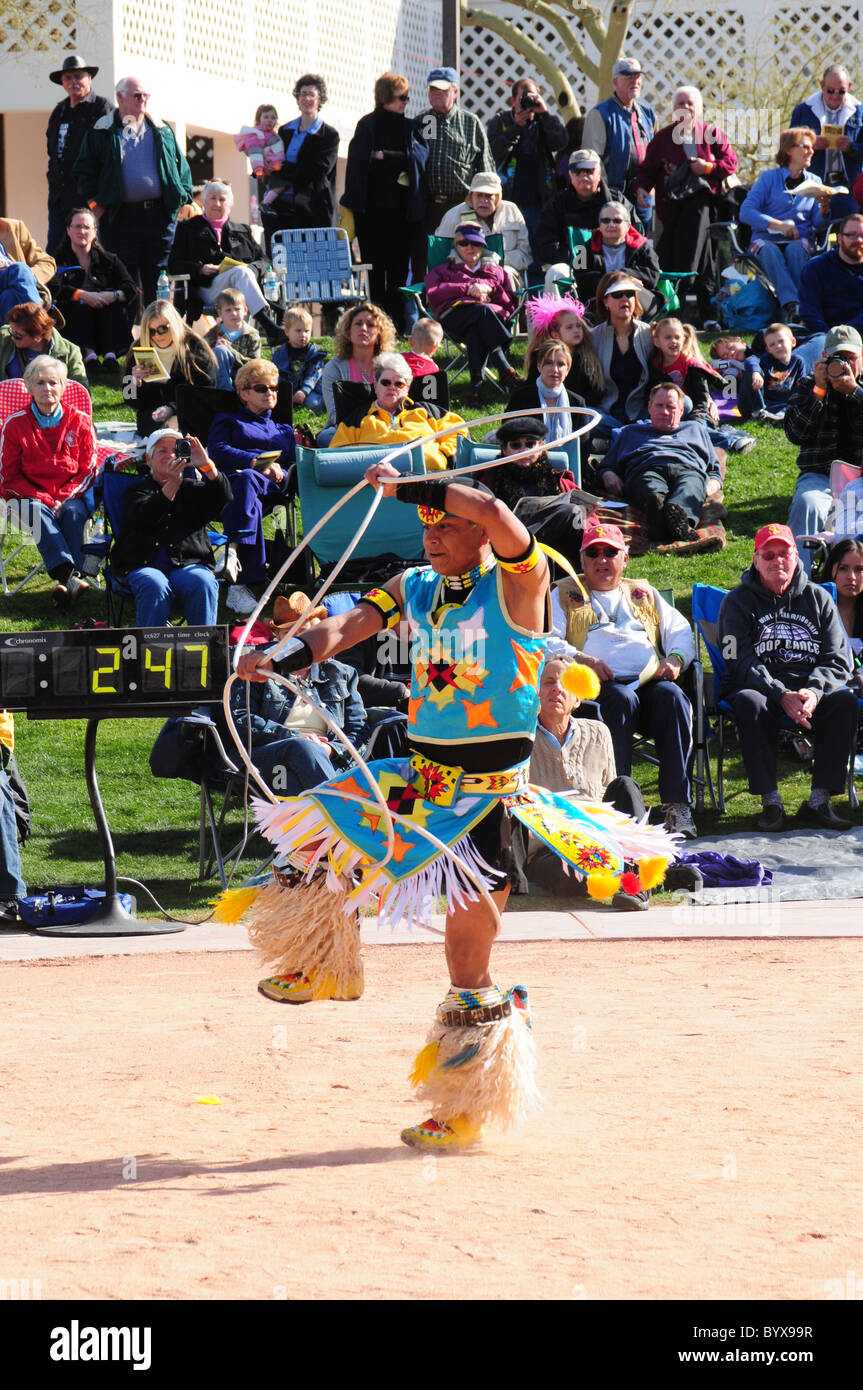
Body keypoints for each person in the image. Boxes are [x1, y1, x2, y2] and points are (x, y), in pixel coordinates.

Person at [227, 471, 674, 1155]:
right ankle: (324, 963)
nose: (432, 534)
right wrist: (281, 655)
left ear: (481, 535)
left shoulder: (519, 588)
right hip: (421, 779)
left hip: (486, 799)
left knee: (465, 965)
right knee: (320, 823)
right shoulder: (415, 587)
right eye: (427, 525)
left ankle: (462, 1106)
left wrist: (406, 485)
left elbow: (492, 503)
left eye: (446, 523)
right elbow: (347, 624)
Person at [549, 520, 698, 836]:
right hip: (594, 692)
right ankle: (621, 808)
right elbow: (546, 640)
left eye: (610, 552)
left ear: (625, 558)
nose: (602, 560)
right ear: (582, 559)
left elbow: (681, 631)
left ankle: (677, 807)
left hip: (648, 685)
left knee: (673, 697)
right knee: (620, 698)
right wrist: (582, 659)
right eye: (593, 553)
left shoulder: (643, 592)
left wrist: (676, 658)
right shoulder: (562, 592)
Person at [717, 523, 858, 830]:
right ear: (756, 560)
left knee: (845, 700)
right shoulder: (736, 602)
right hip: (758, 689)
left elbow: (838, 659)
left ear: (797, 557)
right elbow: (737, 661)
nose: (777, 560)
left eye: (784, 553)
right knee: (749, 701)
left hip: (809, 689)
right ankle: (771, 803)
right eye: (769, 555)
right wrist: (779, 692)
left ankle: (818, 802)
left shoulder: (820, 599)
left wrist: (814, 692)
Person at [516, 655, 649, 909]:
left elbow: (610, 794)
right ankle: (619, 875)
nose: (556, 689)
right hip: (549, 849)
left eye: (565, 684)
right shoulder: (524, 738)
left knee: (625, 785)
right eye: (548, 682)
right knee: (568, 876)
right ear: (537, 694)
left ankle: (637, 885)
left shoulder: (598, 732)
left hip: (598, 839)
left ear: (577, 698)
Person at [229, 592, 368, 799]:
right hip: (269, 756)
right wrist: (296, 738)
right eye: (287, 634)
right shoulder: (255, 668)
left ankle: (320, 824)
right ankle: (342, 819)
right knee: (302, 750)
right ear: (277, 637)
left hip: (328, 758)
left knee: (299, 785)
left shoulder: (341, 673)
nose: (296, 642)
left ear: (318, 635)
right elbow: (242, 721)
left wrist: (330, 749)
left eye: (303, 634)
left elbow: (358, 730)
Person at [74, 77, 193, 308]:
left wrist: (183, 200)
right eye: (137, 95)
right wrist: (94, 205)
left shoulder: (162, 129)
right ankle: (124, 341)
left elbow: (182, 167)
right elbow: (83, 171)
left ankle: (158, 337)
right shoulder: (101, 130)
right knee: (123, 281)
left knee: (158, 282)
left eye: (146, 95)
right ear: (120, 97)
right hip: (120, 218)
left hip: (160, 218)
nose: (143, 100)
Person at [0, 355, 98, 607]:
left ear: (63, 386)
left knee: (74, 514)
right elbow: (7, 476)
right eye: (40, 383)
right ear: (29, 387)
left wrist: (62, 498)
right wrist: (45, 499)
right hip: (27, 496)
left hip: (72, 494)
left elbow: (88, 470)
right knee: (34, 510)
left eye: (53, 382)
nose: (47, 389)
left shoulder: (81, 421)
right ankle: (71, 576)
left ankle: (66, 586)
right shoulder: (14, 424)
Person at [110, 428, 231, 627]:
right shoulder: (137, 491)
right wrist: (173, 483)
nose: (170, 455)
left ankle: (204, 650)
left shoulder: (191, 489)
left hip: (186, 565)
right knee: (154, 584)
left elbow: (223, 497)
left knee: (203, 582)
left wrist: (207, 465)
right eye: (162, 451)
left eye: (176, 450)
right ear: (149, 460)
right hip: (142, 564)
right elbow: (147, 514)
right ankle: (151, 651)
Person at [636, 87, 737, 323]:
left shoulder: (711, 134)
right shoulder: (663, 138)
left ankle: (687, 291)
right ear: (673, 110)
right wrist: (641, 188)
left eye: (690, 103)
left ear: (699, 108)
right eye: (680, 103)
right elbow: (647, 170)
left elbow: (731, 163)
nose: (686, 108)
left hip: (706, 209)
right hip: (671, 210)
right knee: (704, 255)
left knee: (698, 221)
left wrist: (708, 168)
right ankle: (700, 308)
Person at [339, 71, 428, 332]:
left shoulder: (411, 127)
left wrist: (385, 157)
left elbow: (419, 158)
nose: (405, 102)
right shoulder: (368, 125)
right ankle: (377, 328)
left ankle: (399, 327)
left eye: (407, 97)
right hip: (372, 218)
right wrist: (395, 158)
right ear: (386, 97)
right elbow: (359, 162)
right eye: (401, 97)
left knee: (399, 273)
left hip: (403, 217)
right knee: (376, 275)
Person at [207, 358, 296, 615]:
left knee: (250, 481)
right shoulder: (228, 421)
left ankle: (232, 551)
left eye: (274, 388)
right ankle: (239, 588)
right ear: (243, 393)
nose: (270, 393)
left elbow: (292, 465)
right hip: (229, 485)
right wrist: (254, 462)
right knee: (247, 482)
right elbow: (217, 450)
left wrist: (277, 470)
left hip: (270, 488)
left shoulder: (284, 430)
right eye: (261, 388)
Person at [599, 382, 722, 541]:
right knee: (651, 491)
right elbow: (606, 466)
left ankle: (679, 522)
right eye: (659, 405)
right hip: (646, 469)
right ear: (649, 407)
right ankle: (659, 515)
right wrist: (608, 475)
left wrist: (710, 485)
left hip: (688, 469)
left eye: (671, 407)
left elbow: (714, 469)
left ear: (681, 410)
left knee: (689, 488)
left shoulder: (695, 429)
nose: (664, 411)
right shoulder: (630, 432)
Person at [168, 179, 283, 345]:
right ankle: (269, 327)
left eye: (222, 199)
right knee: (241, 273)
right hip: (206, 289)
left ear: (230, 204)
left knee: (243, 272)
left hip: (240, 289)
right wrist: (199, 268)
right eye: (212, 198)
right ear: (204, 202)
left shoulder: (242, 230)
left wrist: (252, 269)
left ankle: (268, 326)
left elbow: (265, 261)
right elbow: (174, 264)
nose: (217, 203)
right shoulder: (188, 228)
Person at [784, 323, 863, 564]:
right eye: (838, 358)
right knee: (807, 504)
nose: (845, 365)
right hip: (820, 477)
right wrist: (819, 391)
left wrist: (854, 392)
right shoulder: (809, 384)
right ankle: (797, 584)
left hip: (861, 477)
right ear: (824, 357)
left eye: (850, 358)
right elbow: (795, 433)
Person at [739, 127, 834, 321]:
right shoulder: (768, 179)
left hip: (800, 240)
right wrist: (778, 225)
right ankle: (795, 306)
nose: (811, 151)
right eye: (805, 146)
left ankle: (797, 309)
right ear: (788, 150)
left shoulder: (815, 181)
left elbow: (819, 224)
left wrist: (823, 208)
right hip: (766, 239)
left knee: (795, 251)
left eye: (812, 147)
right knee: (770, 251)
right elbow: (746, 212)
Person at [412, 66, 495, 280]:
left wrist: (486, 203)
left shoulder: (470, 122)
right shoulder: (421, 121)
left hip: (462, 205)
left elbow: (486, 170)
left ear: (455, 91)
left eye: (443, 90)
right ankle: (425, 307)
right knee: (426, 260)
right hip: (428, 205)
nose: (437, 95)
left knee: (465, 257)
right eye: (433, 90)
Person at [425, 222, 519, 406]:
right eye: (464, 243)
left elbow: (510, 302)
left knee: (478, 325)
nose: (470, 247)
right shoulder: (444, 270)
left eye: (475, 244)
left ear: (483, 246)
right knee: (481, 312)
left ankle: (475, 391)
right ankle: (505, 368)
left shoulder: (497, 271)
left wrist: (491, 290)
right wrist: (467, 288)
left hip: (489, 319)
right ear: (455, 246)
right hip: (455, 316)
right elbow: (434, 292)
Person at [330, 351, 465, 470]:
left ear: (407, 389)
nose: (392, 387)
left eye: (399, 384)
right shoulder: (358, 419)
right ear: (376, 385)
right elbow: (336, 453)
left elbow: (459, 431)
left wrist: (445, 456)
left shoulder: (427, 411)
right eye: (386, 382)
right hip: (375, 485)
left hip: (428, 480)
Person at [47, 206, 139, 370]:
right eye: (77, 226)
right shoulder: (56, 260)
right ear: (68, 230)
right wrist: (82, 295)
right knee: (82, 309)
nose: (82, 231)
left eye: (87, 227)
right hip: (73, 312)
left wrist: (113, 296)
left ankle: (111, 356)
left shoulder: (109, 259)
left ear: (95, 232)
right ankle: (90, 356)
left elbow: (130, 287)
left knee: (112, 308)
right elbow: (53, 288)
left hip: (104, 308)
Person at [486, 76, 568, 256]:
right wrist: (516, 127)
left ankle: (537, 284)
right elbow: (493, 152)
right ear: (513, 100)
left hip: (540, 200)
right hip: (508, 198)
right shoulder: (501, 121)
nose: (527, 103)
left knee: (538, 250)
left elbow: (561, 142)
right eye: (523, 98)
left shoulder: (543, 121)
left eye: (532, 97)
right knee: (509, 250)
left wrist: (545, 113)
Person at [535, 148, 632, 294]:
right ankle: (556, 316)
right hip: (572, 265)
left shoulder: (617, 201)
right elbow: (545, 243)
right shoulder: (557, 204)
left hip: (613, 262)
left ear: (599, 173)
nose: (583, 175)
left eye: (589, 170)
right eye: (577, 171)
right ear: (570, 175)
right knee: (554, 273)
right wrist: (578, 259)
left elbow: (636, 234)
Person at [260, 74, 339, 250]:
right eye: (302, 94)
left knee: (313, 268)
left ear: (320, 100)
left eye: (311, 94)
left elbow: (317, 172)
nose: (306, 99)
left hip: (312, 212)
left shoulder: (329, 136)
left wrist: (280, 168)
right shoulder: (285, 130)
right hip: (281, 210)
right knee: (282, 267)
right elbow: (275, 158)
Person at [46, 54, 113, 255]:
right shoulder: (60, 110)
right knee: (56, 253)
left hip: (90, 198)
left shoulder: (102, 108)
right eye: (68, 78)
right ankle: (58, 288)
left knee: (95, 253)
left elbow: (110, 156)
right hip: (60, 197)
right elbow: (52, 155)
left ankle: (99, 288)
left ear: (89, 78)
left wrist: (98, 200)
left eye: (78, 76)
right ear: (63, 83)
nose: (73, 82)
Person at [124, 299, 218, 438]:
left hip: (189, 411)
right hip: (155, 415)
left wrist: (172, 409)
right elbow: (129, 398)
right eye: (151, 331)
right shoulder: (140, 348)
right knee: (148, 426)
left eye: (163, 329)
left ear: (173, 325)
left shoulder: (194, 347)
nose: (157, 336)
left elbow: (206, 392)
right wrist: (133, 384)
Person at [583, 57, 656, 216]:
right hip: (613, 197)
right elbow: (592, 159)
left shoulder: (647, 114)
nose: (635, 81)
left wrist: (652, 186)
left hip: (643, 193)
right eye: (629, 77)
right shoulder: (601, 114)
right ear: (615, 82)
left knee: (643, 239)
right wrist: (606, 195)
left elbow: (654, 155)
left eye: (638, 77)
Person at [435, 171, 531, 287]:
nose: (484, 200)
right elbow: (440, 256)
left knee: (506, 275)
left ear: (498, 197)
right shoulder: (453, 216)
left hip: (505, 272)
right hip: (464, 274)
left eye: (489, 196)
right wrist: (475, 265)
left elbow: (525, 254)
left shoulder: (512, 211)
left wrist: (495, 262)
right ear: (471, 196)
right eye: (479, 195)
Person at [790, 65, 863, 220]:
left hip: (847, 185)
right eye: (830, 90)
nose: (835, 95)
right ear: (822, 85)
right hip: (813, 184)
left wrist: (851, 147)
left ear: (849, 87)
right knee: (812, 226)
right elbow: (788, 149)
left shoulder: (859, 112)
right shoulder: (803, 111)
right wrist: (809, 145)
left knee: (849, 227)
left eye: (841, 91)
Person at [319, 301, 396, 445]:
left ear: (380, 333)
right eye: (358, 324)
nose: (364, 328)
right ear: (348, 331)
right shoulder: (334, 368)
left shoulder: (391, 365)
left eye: (371, 325)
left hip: (386, 426)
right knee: (326, 438)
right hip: (346, 429)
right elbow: (335, 415)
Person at [590, 270, 654, 425]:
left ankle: (620, 436)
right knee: (586, 417)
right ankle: (629, 434)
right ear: (605, 301)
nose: (625, 298)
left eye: (629, 294)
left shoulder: (650, 334)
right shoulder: (593, 337)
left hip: (644, 411)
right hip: (608, 412)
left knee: (684, 404)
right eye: (618, 294)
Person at [524, 292, 606, 405]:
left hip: (583, 410)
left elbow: (596, 390)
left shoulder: (586, 357)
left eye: (578, 326)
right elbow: (530, 390)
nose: (576, 330)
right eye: (569, 327)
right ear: (555, 334)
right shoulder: (540, 357)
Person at [573, 200, 659, 307]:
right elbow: (581, 280)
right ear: (600, 224)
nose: (611, 225)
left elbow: (652, 276)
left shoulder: (642, 246)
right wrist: (618, 279)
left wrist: (623, 276)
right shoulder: (585, 248)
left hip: (637, 298)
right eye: (606, 221)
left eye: (617, 220)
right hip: (601, 300)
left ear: (628, 225)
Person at [486, 414, 575, 510]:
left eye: (530, 444)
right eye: (516, 445)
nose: (524, 451)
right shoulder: (489, 480)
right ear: (504, 450)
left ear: (541, 446)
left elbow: (588, 517)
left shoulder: (559, 482)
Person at [506, 342, 586, 444]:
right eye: (548, 363)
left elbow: (583, 447)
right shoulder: (520, 398)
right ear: (539, 366)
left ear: (567, 370)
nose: (555, 370)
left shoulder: (578, 404)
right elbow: (509, 439)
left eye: (560, 364)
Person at [799, 211, 863, 337]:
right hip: (822, 335)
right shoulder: (815, 267)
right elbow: (809, 312)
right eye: (852, 235)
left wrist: (848, 332)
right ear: (839, 238)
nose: (859, 240)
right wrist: (830, 338)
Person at [0, 301, 87, 388]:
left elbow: (81, 389)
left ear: (38, 335)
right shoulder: (3, 339)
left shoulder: (70, 351)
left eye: (18, 336)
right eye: (11, 330)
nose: (12, 337)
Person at [738, 322, 806, 423]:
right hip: (761, 403)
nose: (778, 346)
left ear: (793, 342)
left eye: (781, 341)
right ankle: (758, 412)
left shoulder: (798, 361)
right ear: (768, 349)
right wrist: (756, 373)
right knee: (752, 371)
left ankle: (781, 415)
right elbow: (751, 359)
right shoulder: (766, 360)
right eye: (772, 344)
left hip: (783, 404)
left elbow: (800, 386)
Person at [0, 215, 57, 323]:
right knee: (19, 268)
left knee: (9, 296)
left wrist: (25, 276)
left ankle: (13, 337)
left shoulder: (13, 228)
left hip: (13, 291)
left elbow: (47, 262)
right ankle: (40, 325)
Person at [271, 303, 327, 411]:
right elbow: (278, 375)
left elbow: (315, 375)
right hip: (290, 390)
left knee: (314, 404)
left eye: (307, 331)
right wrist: (285, 392)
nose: (303, 335)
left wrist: (304, 391)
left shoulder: (315, 352)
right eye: (298, 331)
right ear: (287, 332)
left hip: (311, 390)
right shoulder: (280, 354)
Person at [202, 289, 262, 386]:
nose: (233, 313)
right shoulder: (214, 333)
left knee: (222, 350)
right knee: (219, 350)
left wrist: (230, 351)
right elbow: (201, 356)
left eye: (237, 309)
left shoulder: (251, 335)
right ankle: (224, 391)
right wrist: (214, 351)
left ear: (245, 311)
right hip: (218, 377)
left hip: (244, 378)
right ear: (220, 313)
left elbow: (255, 364)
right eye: (228, 310)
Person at [821, 538, 863, 676]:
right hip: (834, 693)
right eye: (843, 569)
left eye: (859, 569)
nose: (851, 577)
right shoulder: (815, 611)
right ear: (830, 570)